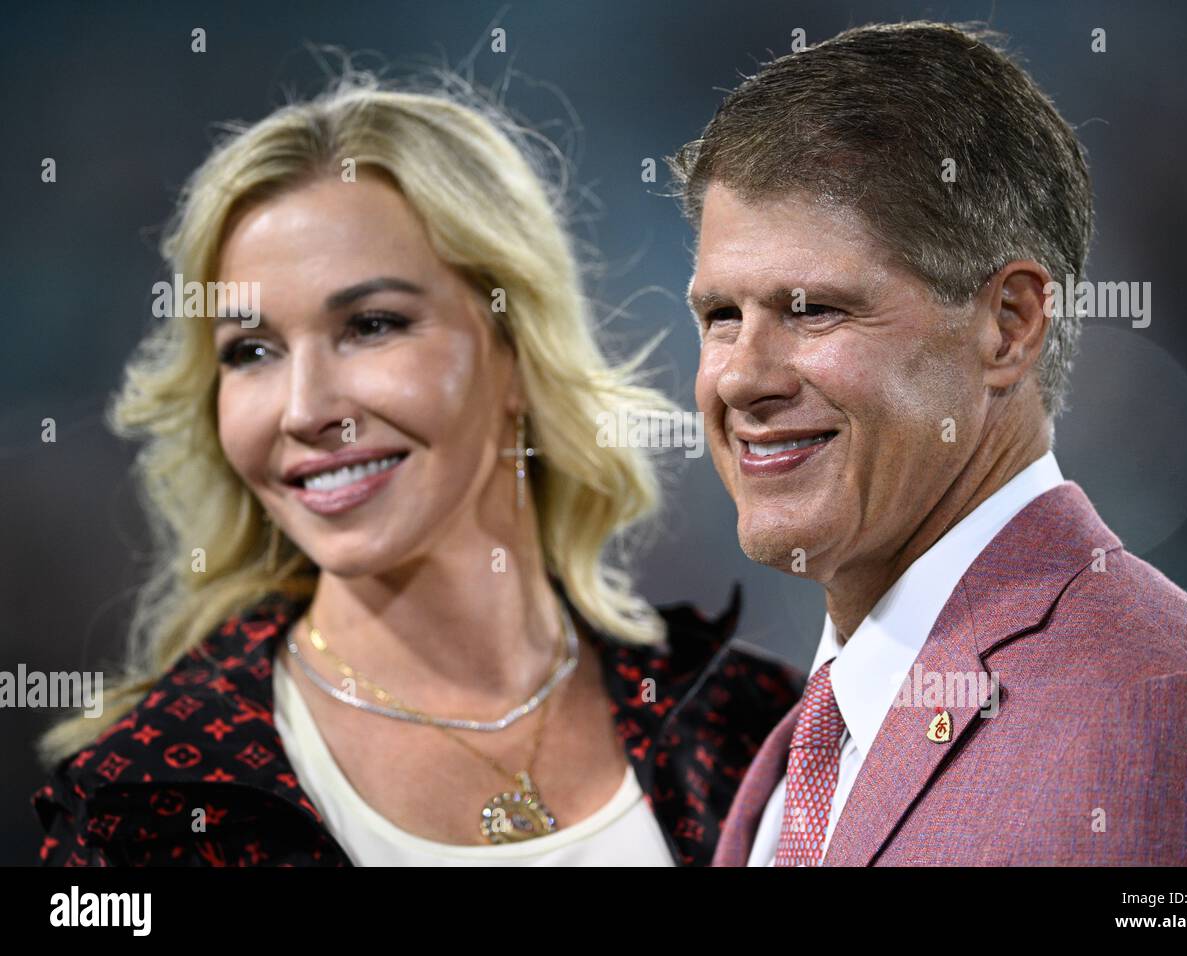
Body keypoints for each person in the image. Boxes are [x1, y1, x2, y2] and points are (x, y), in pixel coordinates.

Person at [31, 72, 800, 867]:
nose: (303, 410)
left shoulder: (751, 725)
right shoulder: (144, 808)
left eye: (370, 325)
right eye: (251, 351)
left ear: (514, 352)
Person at [667, 21, 1187, 866]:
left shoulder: (1177, 710)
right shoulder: (797, 754)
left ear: (1009, 326)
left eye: (812, 308)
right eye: (721, 317)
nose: (740, 379)